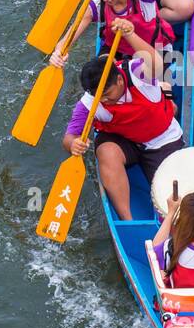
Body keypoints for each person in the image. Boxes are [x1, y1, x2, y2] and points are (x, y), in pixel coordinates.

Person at [63, 20, 185, 221]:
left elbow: (155, 62)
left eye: (107, 94)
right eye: (98, 96)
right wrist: (73, 145)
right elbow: (69, 136)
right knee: (105, 151)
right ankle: (128, 221)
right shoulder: (89, 102)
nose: (103, 100)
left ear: (119, 80)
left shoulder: (137, 72)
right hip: (125, 143)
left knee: (173, 197)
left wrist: (130, 34)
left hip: (162, 139)